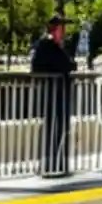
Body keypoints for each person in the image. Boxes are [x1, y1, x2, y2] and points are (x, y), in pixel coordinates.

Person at [30, 13, 77, 177]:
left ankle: (54, 163)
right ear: (55, 29)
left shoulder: (47, 46)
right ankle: (53, 164)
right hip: (53, 95)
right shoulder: (48, 46)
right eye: (61, 28)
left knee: (55, 129)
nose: (63, 33)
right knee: (55, 129)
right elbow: (67, 64)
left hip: (53, 95)